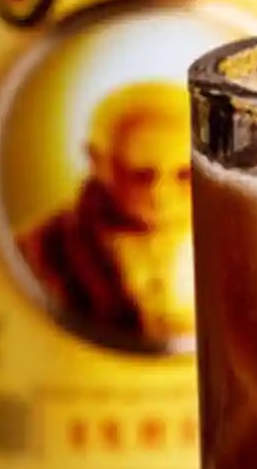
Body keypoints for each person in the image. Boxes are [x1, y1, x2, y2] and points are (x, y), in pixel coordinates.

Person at [17, 80, 195, 347]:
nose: (161, 195)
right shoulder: (41, 252)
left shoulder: (238, 242)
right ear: (98, 162)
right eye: (140, 175)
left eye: (184, 176)